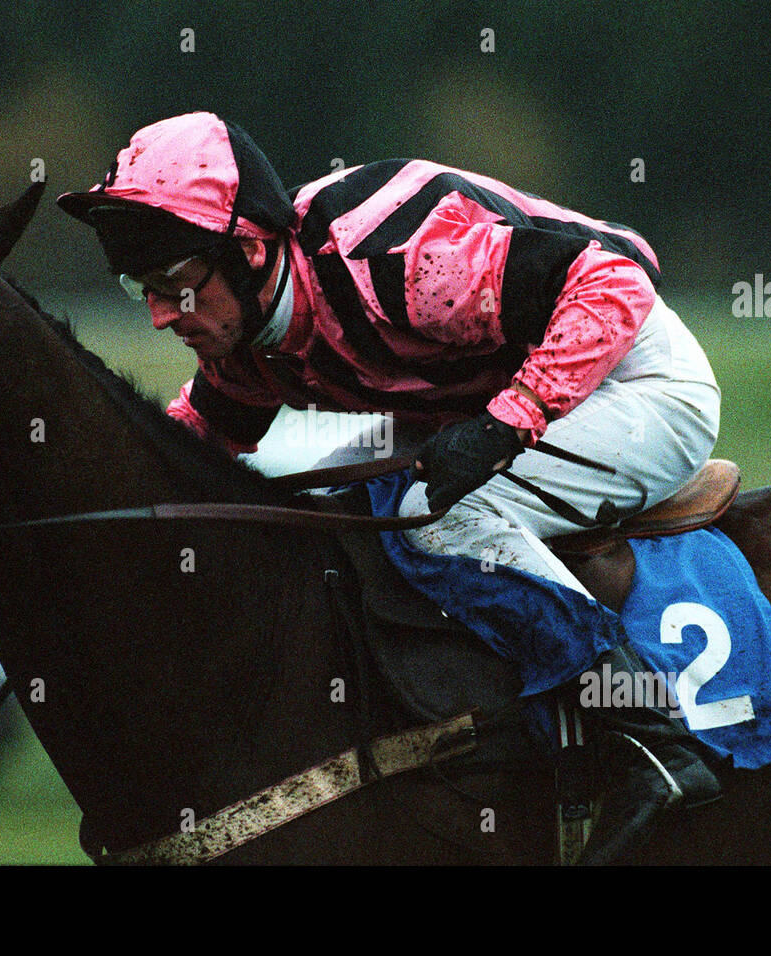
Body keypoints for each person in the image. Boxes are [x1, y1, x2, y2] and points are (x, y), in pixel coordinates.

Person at [58, 111, 723, 862]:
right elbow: (190, 454)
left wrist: (508, 423)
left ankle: (647, 737)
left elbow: (614, 279)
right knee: (324, 515)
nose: (157, 317)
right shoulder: (246, 331)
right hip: (491, 392)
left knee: (436, 522)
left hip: (632, 378)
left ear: (247, 251)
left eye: (174, 287)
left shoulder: (397, 258)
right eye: (138, 288)